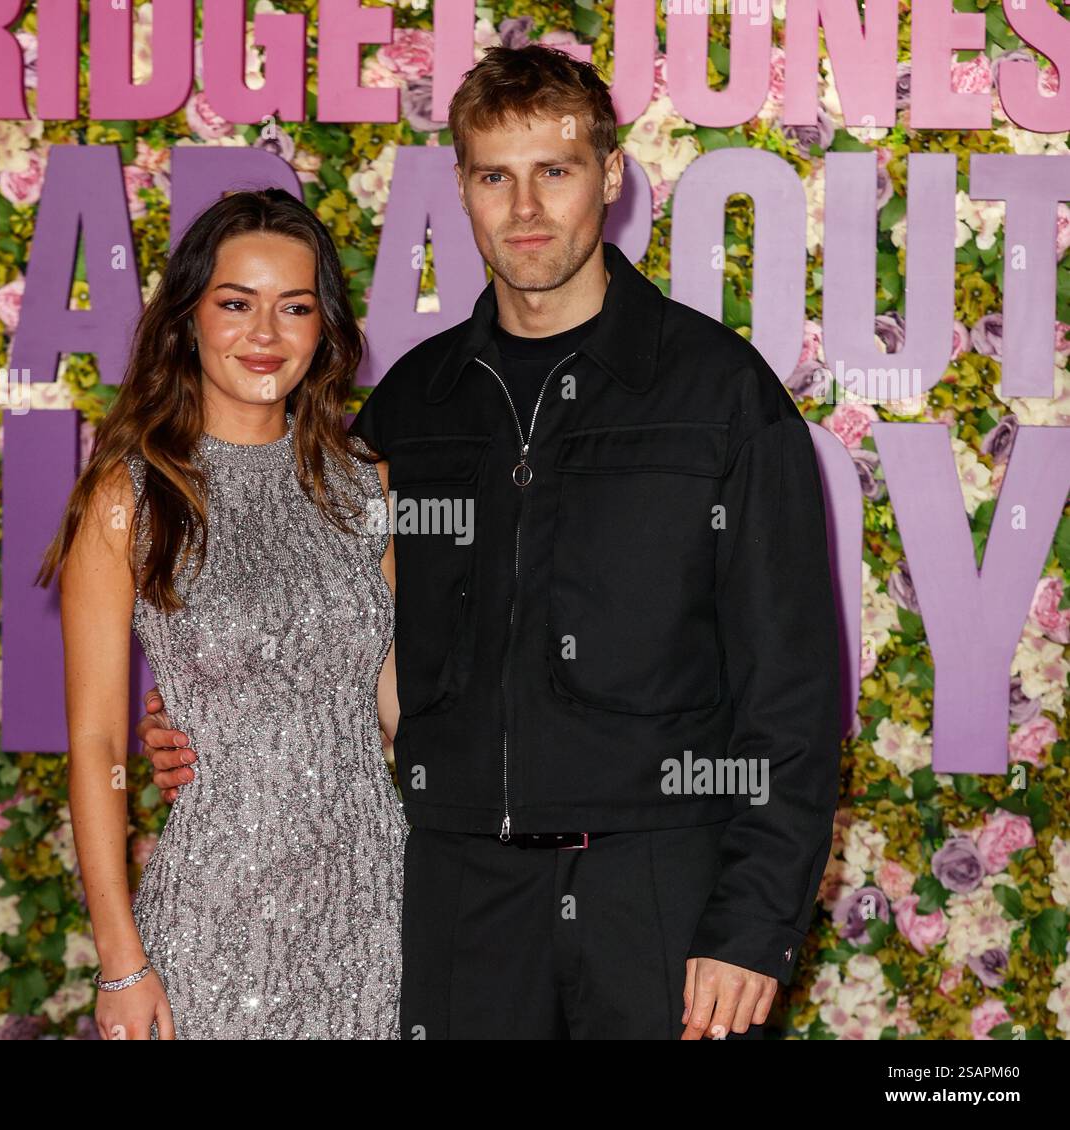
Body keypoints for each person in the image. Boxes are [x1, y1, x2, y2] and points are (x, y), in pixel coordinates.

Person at [140, 45, 843, 1040]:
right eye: (493, 175)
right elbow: (323, 624)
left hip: (660, 891)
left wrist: (752, 925)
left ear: (609, 176)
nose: (525, 206)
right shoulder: (411, 410)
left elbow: (792, 691)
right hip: (459, 897)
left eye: (553, 170)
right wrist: (210, 722)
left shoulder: (718, 395)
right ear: (461, 189)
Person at [38, 188, 407, 1039]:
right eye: (236, 304)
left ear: (325, 329)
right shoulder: (129, 497)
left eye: (296, 307)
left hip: (377, 909)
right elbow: (95, 743)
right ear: (188, 319)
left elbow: (397, 704)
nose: (266, 334)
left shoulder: (366, 487)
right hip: (212, 917)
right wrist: (120, 960)